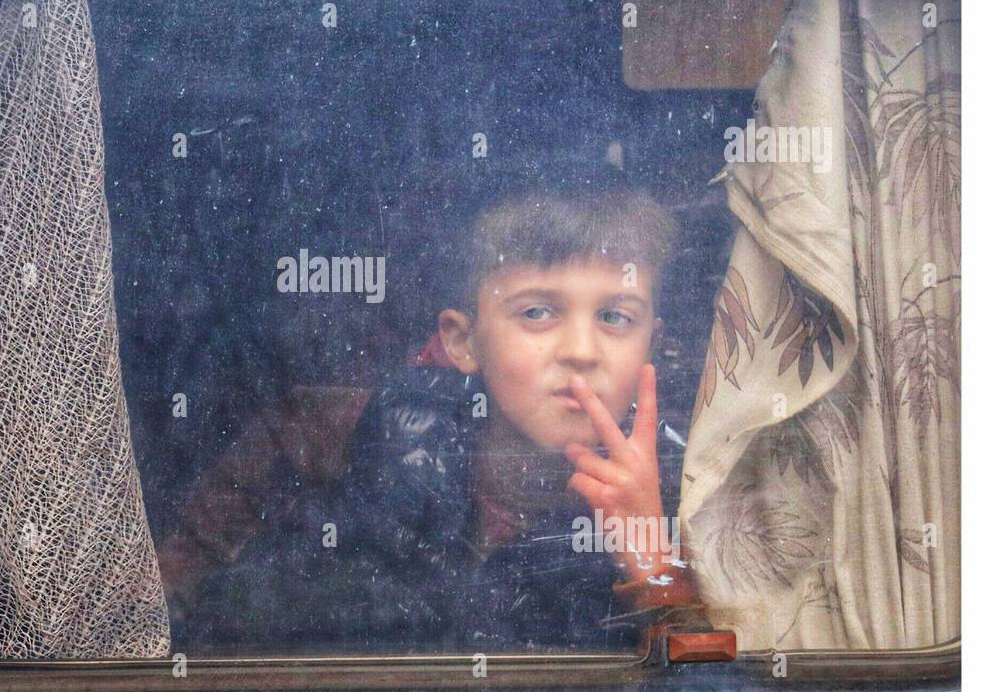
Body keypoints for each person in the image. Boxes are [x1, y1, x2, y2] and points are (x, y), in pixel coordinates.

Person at [175, 161, 702, 654]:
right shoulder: (381, 429)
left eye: (615, 317)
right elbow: (188, 582)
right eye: (538, 312)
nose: (582, 351)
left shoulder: (699, 490)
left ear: (650, 347)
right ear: (462, 341)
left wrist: (653, 563)